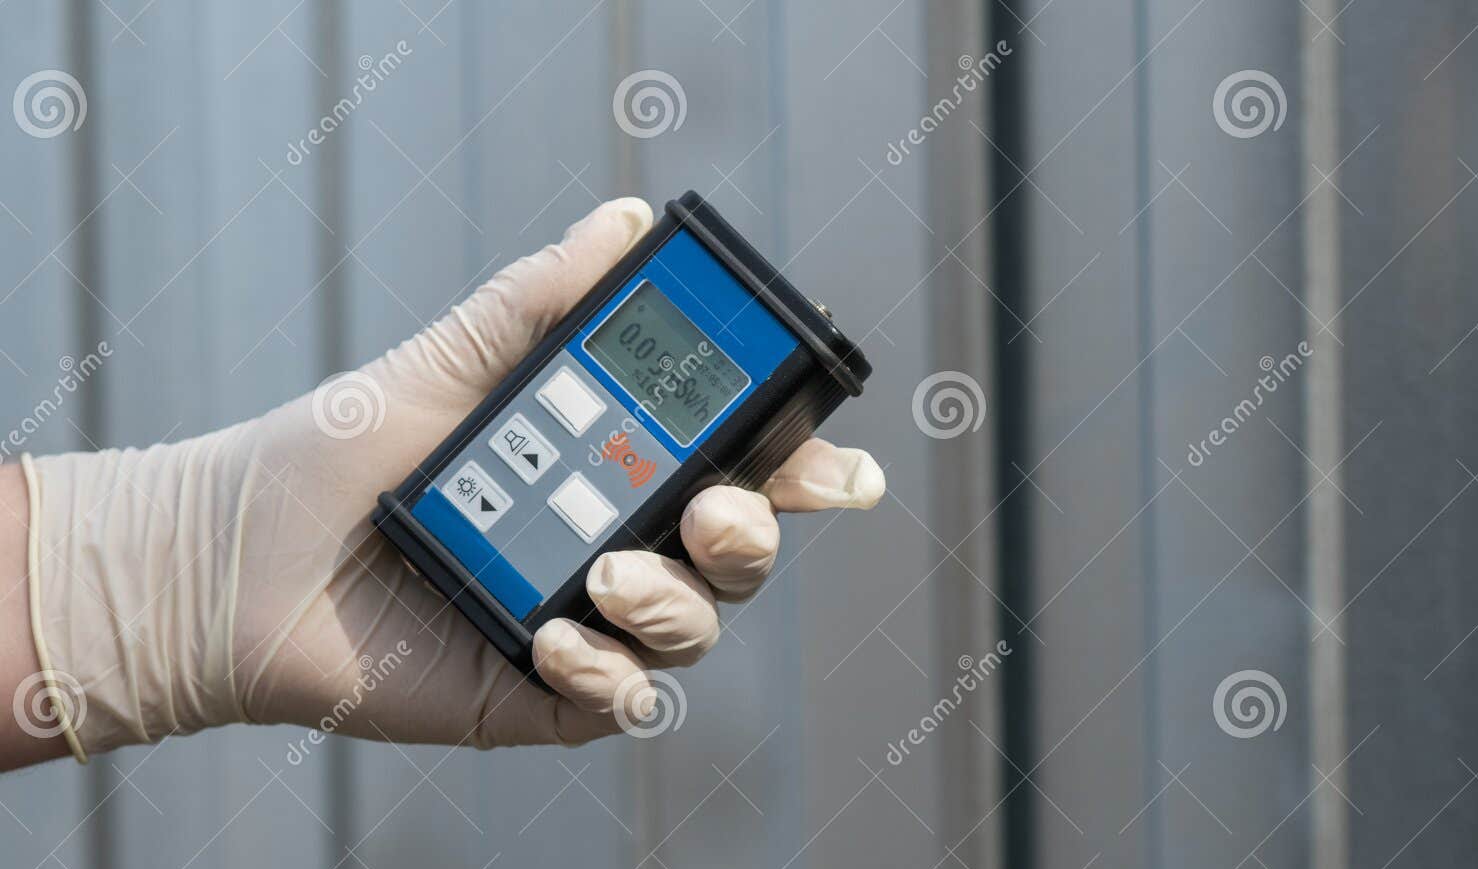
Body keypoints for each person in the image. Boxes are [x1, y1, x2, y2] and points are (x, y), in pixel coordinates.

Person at [0, 198, 884, 772]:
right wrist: (173, 569)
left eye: (689, 386)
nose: (640, 393)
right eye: (642, 347)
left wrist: (157, 596)